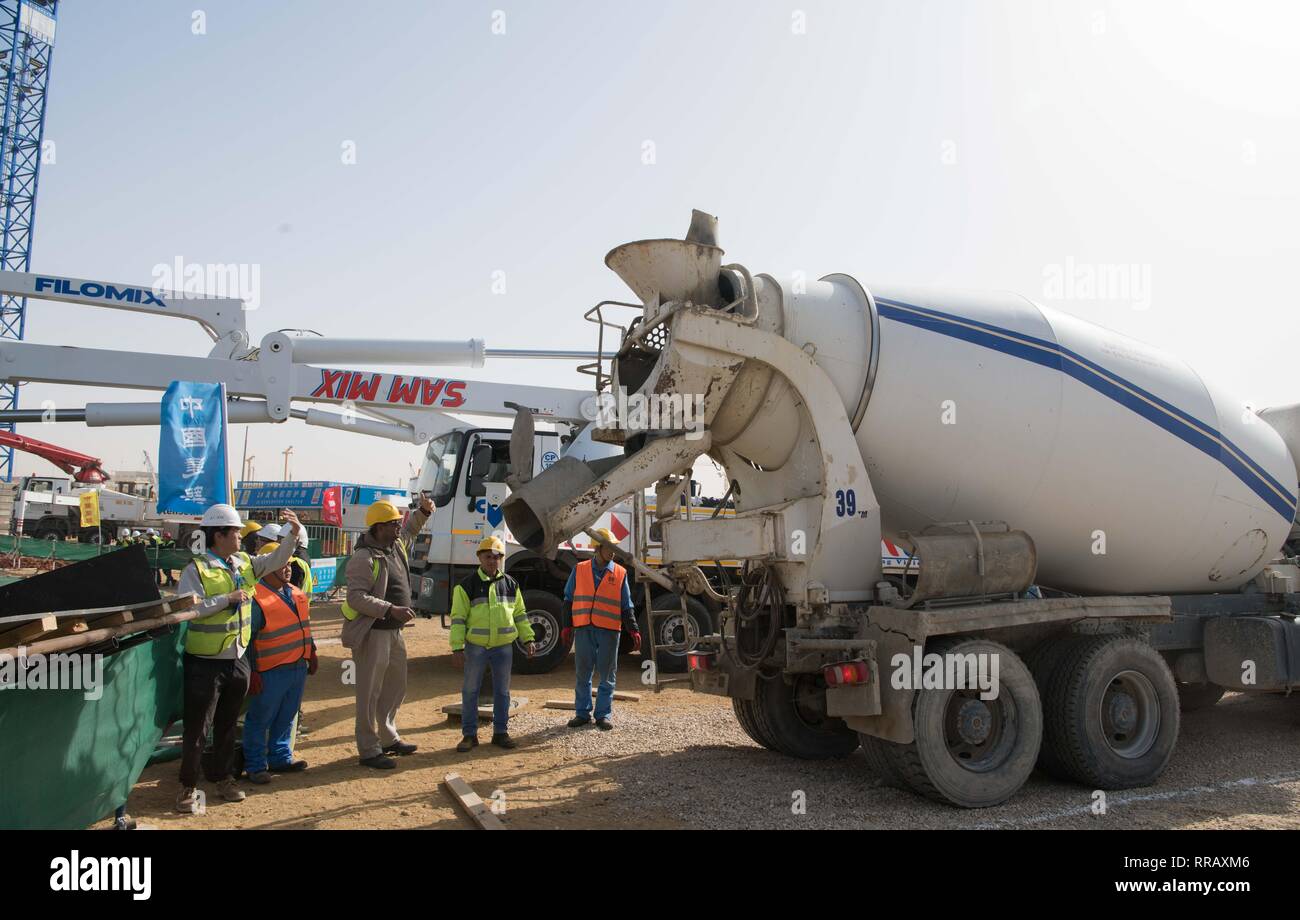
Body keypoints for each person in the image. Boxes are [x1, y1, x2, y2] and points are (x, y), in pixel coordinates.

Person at [173, 504, 301, 814]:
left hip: (237, 657)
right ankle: (186, 788)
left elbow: (276, 560)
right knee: (198, 728)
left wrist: (293, 534)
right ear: (219, 535)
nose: (241, 537)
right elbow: (187, 609)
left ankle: (225, 779)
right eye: (236, 532)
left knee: (228, 724)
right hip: (205, 661)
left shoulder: (243, 562)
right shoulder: (197, 569)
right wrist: (225, 599)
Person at [341, 495, 432, 769]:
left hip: (394, 631)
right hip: (374, 632)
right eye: (393, 524)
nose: (398, 528)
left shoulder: (395, 547)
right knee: (370, 692)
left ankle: (388, 737)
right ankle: (369, 749)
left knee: (395, 686)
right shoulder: (363, 557)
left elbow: (411, 530)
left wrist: (424, 511)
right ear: (378, 528)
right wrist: (390, 608)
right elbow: (355, 598)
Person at [449, 536, 536, 752]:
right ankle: (469, 736)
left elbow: (520, 614)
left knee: (503, 692)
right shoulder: (466, 586)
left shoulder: (511, 584)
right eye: (488, 556)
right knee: (470, 691)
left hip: (503, 647)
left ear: (501, 559)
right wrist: (457, 648)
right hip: (475, 647)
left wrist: (529, 638)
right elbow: (458, 618)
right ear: (479, 557)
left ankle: (500, 733)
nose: (492, 561)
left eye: (496, 557)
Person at [243, 542, 316, 784]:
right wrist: (252, 671)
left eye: (289, 564)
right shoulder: (257, 598)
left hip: (296, 667)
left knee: (287, 715)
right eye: (282, 565)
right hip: (270, 670)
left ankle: (281, 757)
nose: (287, 569)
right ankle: (255, 765)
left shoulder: (296, 593)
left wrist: (311, 652)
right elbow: (249, 639)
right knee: (260, 718)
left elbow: (304, 627)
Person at [561, 528, 641, 731]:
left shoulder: (620, 573)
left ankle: (603, 715)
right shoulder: (579, 569)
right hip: (584, 628)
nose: (613, 551)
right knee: (583, 673)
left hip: (609, 630)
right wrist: (566, 625)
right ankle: (582, 713)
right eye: (609, 547)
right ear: (598, 547)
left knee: (607, 675)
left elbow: (626, 604)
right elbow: (568, 598)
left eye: (615, 547)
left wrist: (633, 628)